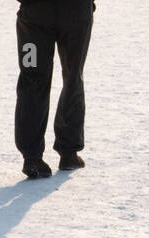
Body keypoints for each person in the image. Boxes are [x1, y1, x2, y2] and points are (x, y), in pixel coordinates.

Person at [15, 0, 97, 180]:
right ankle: (68, 152)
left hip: (36, 14)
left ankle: (32, 157)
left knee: (33, 79)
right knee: (73, 77)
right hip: (75, 12)